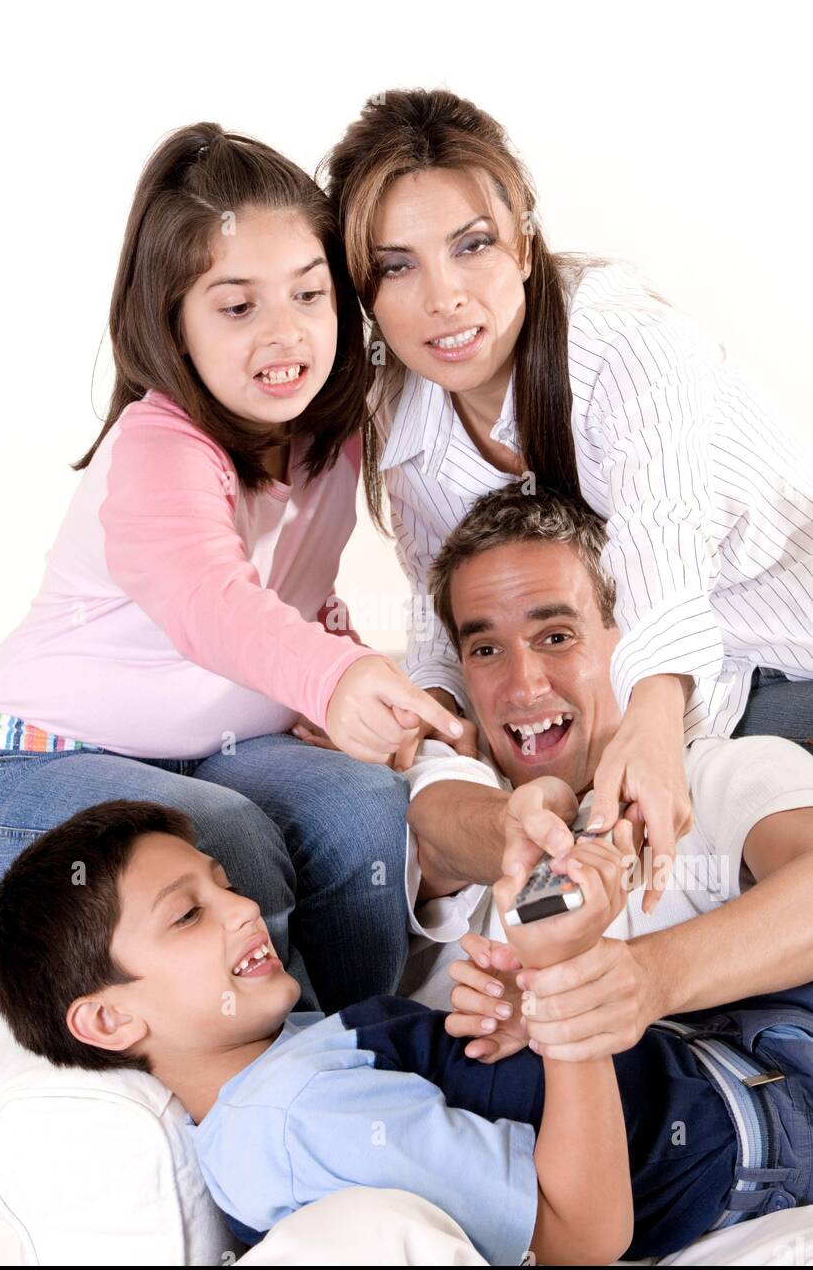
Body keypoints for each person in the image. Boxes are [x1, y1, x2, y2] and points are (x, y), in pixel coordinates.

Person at [0, 122, 462, 1011]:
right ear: (173, 324)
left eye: (309, 295)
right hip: (44, 767)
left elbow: (294, 596)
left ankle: (360, 1046)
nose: (286, 333)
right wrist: (332, 675)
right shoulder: (158, 446)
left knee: (359, 809)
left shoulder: (328, 441)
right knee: (217, 841)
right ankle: (282, 1088)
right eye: (237, 307)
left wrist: (324, 681)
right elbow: (208, 600)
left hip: (218, 755)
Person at [319, 86, 813, 906]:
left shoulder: (616, 338)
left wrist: (654, 720)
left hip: (776, 664)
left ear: (523, 246)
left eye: (471, 245)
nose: (444, 298)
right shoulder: (404, 418)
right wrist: (436, 739)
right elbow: (444, 614)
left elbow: (664, 541)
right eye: (398, 265)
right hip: (629, 705)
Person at [0, 797, 813, 1263]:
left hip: (725, 1054)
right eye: (189, 915)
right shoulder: (295, 1118)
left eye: (226, 885)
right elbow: (581, 1239)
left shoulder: (281, 1073)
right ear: (110, 1019)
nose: (242, 909)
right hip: (758, 1126)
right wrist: (564, 986)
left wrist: (519, 1017)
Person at [382, 485, 813, 1093]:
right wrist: (516, 825)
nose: (523, 686)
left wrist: (642, 979)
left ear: (630, 642)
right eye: (485, 649)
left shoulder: (718, 773)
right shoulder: (451, 766)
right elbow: (439, 831)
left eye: (556, 636)